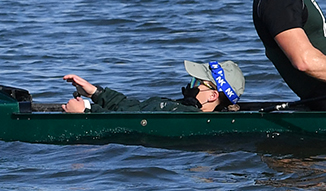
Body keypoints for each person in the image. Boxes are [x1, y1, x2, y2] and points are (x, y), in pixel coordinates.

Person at [61, 61, 244, 114]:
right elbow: (130, 108)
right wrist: (95, 92)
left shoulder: (187, 117)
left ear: (213, 95)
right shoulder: (179, 107)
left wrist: (87, 110)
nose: (190, 86)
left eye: (196, 83)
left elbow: (127, 125)